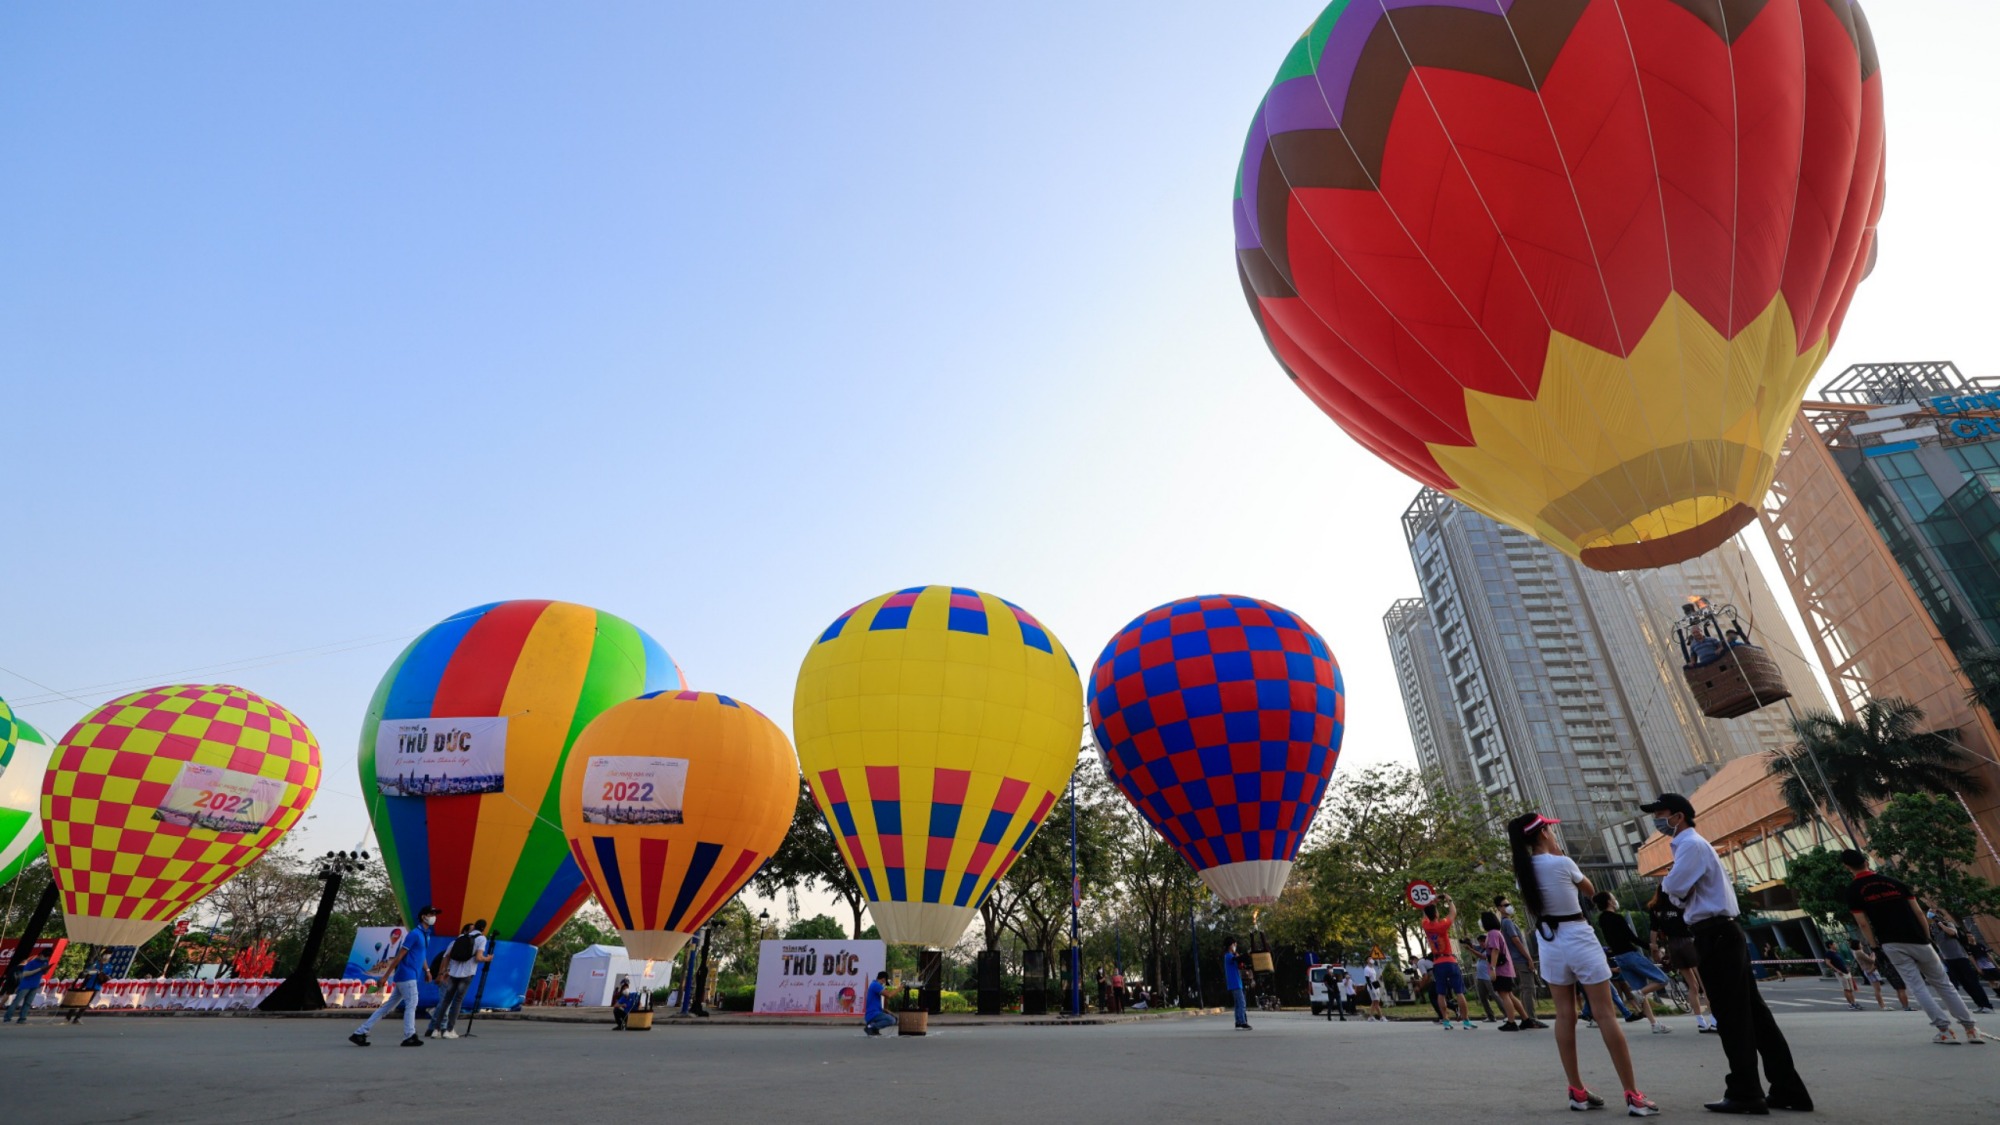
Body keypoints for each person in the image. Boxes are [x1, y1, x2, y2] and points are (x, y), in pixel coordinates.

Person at [1647, 793, 1810, 1114]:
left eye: (1660, 814)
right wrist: (1674, 890)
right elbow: (1676, 895)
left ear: (1678, 817)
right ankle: (1788, 1089)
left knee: (1732, 1017)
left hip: (1714, 935)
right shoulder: (1690, 846)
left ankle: (1746, 1092)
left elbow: (1673, 890)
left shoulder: (1691, 846)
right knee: (1756, 1016)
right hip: (1721, 933)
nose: (1656, 822)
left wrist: (1671, 887)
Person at [1507, 812, 1657, 1117]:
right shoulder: (1561, 863)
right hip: (1577, 936)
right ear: (1544, 833)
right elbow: (1590, 892)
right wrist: (1560, 854)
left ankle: (1576, 1090)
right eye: (1550, 829)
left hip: (1549, 942)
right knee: (1605, 1014)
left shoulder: (1522, 874)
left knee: (1565, 1015)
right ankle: (1633, 1094)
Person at [1841, 850, 1986, 1045]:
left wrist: (1875, 947)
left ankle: (1945, 1031)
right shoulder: (1895, 883)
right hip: (1919, 939)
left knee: (1917, 986)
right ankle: (1970, 1029)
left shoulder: (1853, 890)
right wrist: (1927, 937)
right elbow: (1918, 912)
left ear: (1847, 867)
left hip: (1891, 943)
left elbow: (1863, 924)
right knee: (1944, 984)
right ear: (1866, 861)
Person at [351, 905, 437, 1047]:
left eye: (435, 914)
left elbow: (422, 956)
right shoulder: (415, 934)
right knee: (412, 1004)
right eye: (431, 913)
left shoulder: (425, 935)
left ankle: (360, 1032)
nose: (434, 916)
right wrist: (385, 976)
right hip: (407, 974)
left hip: (409, 975)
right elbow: (399, 956)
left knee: (387, 1007)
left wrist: (427, 971)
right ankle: (409, 1035)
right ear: (423, 917)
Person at [1594, 892, 1671, 1034]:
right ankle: (1639, 993)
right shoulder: (1617, 918)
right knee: (1662, 979)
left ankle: (1654, 1024)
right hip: (1630, 954)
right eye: (1613, 898)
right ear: (1609, 902)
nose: (1615, 900)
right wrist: (1649, 946)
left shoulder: (1602, 920)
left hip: (1619, 958)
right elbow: (1630, 937)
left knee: (1640, 993)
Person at [1648, 890, 1713, 1033]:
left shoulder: (1655, 908)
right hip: (1688, 942)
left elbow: (1653, 929)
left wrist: (1654, 949)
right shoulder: (1678, 902)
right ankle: (1714, 1020)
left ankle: (1700, 1022)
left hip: (1673, 945)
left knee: (1693, 986)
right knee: (1704, 982)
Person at [1420, 896, 1477, 1030]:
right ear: (1436, 914)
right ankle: (1466, 1021)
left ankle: (1446, 1021)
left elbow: (1425, 916)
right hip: (1450, 961)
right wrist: (1449, 900)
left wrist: (1429, 903)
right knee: (1459, 992)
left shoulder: (1426, 926)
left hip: (1437, 963)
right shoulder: (1442, 925)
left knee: (1441, 993)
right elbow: (1453, 913)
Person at [427, 919, 490, 1039]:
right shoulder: (481, 939)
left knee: (446, 1001)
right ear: (483, 928)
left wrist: (443, 972)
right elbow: (478, 957)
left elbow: (447, 956)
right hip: (467, 974)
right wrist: (488, 959)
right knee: (457, 1002)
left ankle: (436, 1030)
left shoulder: (459, 938)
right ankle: (449, 1030)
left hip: (453, 974)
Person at [1495, 893, 1548, 1029]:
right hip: (1520, 959)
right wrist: (1528, 958)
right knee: (1528, 988)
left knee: (1525, 989)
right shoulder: (1507, 922)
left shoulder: (1506, 923)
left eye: (1509, 904)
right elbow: (1516, 940)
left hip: (1516, 959)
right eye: (1505, 905)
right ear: (1499, 908)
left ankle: (1528, 1018)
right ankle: (1531, 1018)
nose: (1509, 907)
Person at [1932, 914, 1994, 1013]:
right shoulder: (1934, 931)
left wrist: (1940, 923)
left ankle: (1987, 1005)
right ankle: (1979, 1005)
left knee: (1972, 982)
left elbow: (1952, 933)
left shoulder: (1948, 924)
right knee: (1965, 984)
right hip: (1949, 960)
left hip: (1961, 957)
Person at [1482, 910, 1531, 1031]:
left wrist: (1492, 968)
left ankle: (1511, 1022)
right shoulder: (1496, 933)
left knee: (1504, 995)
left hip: (1500, 969)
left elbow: (1495, 950)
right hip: (1505, 968)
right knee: (1509, 995)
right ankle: (1525, 1019)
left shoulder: (1492, 933)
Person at [2, 950, 49, 1024]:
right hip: (26, 984)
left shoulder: (45, 962)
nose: (46, 958)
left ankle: (22, 1018)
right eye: (45, 956)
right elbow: (25, 973)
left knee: (28, 1003)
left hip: (35, 984)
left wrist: (46, 969)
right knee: (16, 1002)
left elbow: (44, 973)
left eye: (47, 957)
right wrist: (39, 969)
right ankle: (7, 1017)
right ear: (41, 955)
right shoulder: (32, 963)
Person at [64, 953, 111, 1025]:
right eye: (106, 955)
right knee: (79, 1001)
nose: (107, 957)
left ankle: (77, 1018)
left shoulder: (109, 966)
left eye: (108, 956)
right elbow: (87, 971)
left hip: (97, 986)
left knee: (86, 1003)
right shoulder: (96, 964)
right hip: (88, 984)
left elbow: (108, 976)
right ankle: (68, 1017)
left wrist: (104, 976)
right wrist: (95, 972)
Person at [1469, 932, 1499, 1022]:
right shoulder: (1481, 948)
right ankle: (1490, 1016)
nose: (1482, 943)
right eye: (1480, 942)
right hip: (1481, 977)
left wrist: (1470, 949)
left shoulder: (1489, 950)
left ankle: (1506, 1013)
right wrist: (1468, 943)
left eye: (1483, 941)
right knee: (1483, 997)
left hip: (1488, 976)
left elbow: (1482, 956)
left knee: (1495, 995)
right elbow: (1474, 947)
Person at [1849, 941, 1888, 1010]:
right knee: (1877, 989)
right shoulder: (1859, 952)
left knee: (1877, 989)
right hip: (1870, 970)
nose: (1861, 945)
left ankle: (1882, 1005)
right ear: (1857, 945)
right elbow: (1871, 961)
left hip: (1868, 970)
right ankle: (1882, 1006)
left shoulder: (1856, 952)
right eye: (1860, 944)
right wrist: (1873, 956)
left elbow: (1866, 960)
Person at [1823, 943, 1861, 1011]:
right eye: (1834, 944)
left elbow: (1841, 962)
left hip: (1846, 971)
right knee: (1846, 989)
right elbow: (1828, 963)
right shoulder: (1828, 953)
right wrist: (1837, 970)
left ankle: (1854, 1002)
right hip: (1840, 973)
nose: (1836, 945)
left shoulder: (1836, 953)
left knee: (1850, 989)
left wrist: (1847, 967)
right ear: (1830, 945)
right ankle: (1850, 1004)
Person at [1223, 937, 1250, 1030]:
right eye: (1234, 944)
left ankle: (1238, 1022)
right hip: (1234, 983)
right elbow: (1238, 959)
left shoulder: (1232, 955)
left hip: (1238, 982)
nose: (1235, 946)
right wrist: (1246, 955)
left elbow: (1240, 964)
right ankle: (1242, 1022)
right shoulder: (1228, 956)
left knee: (1238, 1004)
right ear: (1230, 945)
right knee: (1242, 1003)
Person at [862, 970, 896, 1036]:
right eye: (884, 983)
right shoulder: (875, 985)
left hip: (874, 1013)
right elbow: (889, 995)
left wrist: (886, 1009)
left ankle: (874, 1029)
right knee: (892, 1020)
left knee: (893, 1017)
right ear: (883, 979)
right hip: (873, 1014)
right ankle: (871, 1027)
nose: (883, 985)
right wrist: (900, 988)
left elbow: (887, 996)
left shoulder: (874, 985)